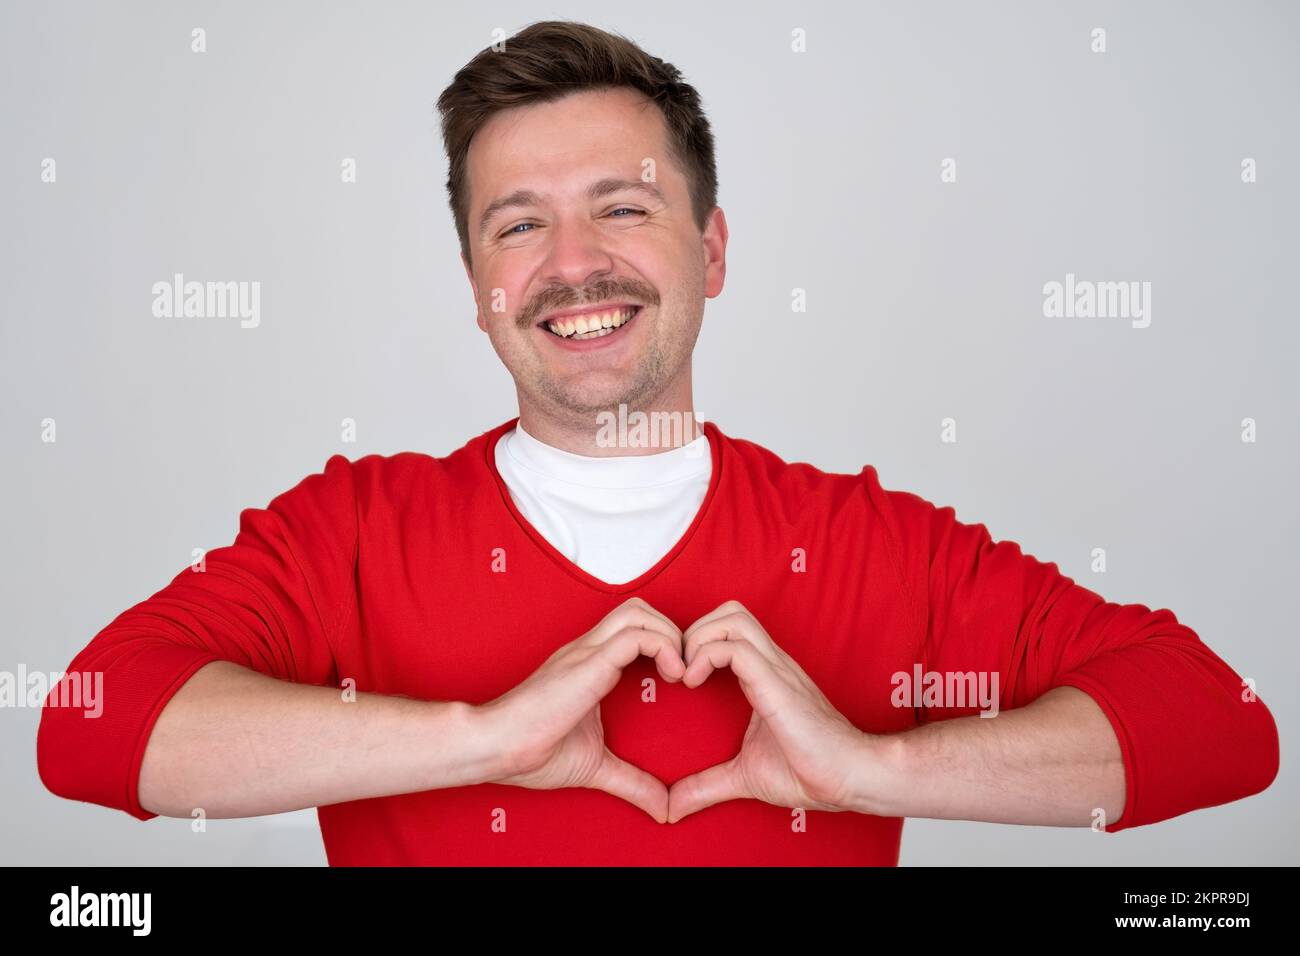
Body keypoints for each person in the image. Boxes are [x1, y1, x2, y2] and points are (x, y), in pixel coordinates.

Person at [37, 20, 1278, 865]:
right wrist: (480, 736)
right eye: (517, 226)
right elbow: (88, 725)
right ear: (475, 280)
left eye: (621, 208)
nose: (572, 265)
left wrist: (865, 770)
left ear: (714, 250)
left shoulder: (872, 544)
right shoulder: (350, 531)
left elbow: (1220, 723)